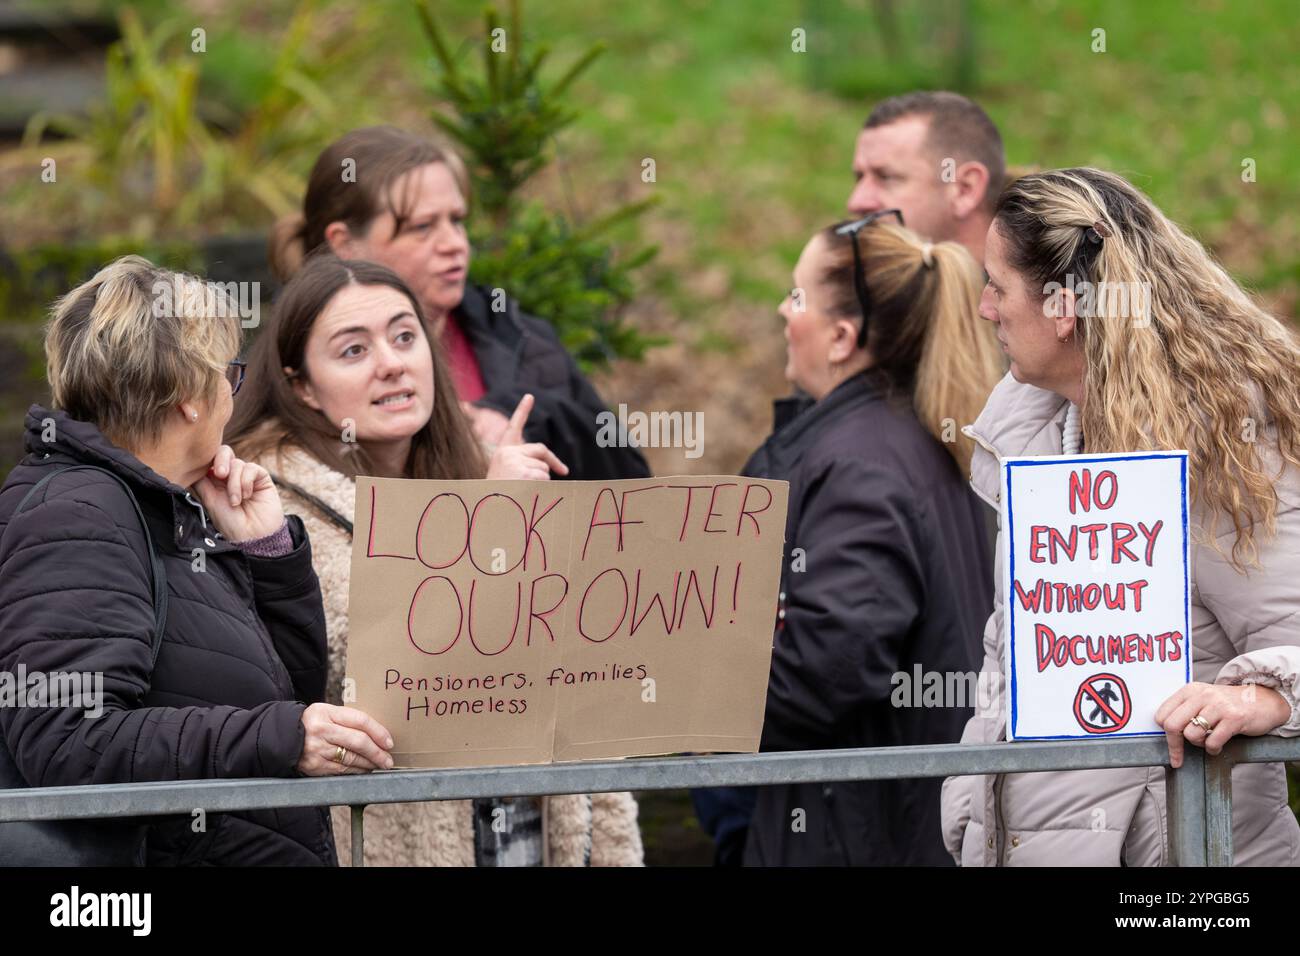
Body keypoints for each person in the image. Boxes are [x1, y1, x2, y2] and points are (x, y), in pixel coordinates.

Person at [227, 253, 644, 866]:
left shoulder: (495, 469)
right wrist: (492, 522)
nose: (392, 363)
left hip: (528, 831)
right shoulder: (263, 506)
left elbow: (579, 677)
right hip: (390, 843)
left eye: (404, 336)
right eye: (353, 351)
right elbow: (360, 672)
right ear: (301, 386)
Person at [941, 167, 1300, 866]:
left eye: (996, 284)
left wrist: (1265, 698)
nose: (985, 309)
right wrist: (970, 809)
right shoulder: (1036, 434)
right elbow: (1009, 658)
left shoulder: (1224, 444)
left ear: (1061, 308)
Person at [0, 256, 394, 866]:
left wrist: (266, 551)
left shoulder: (165, 508)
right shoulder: (79, 513)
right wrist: (281, 740)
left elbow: (286, 692)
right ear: (189, 396)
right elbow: (65, 738)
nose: (229, 395)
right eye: (228, 373)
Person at [739, 212, 1003, 865]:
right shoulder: (912, 437)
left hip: (865, 834)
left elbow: (825, 674)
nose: (781, 308)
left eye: (796, 295)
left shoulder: (860, 465)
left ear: (839, 336)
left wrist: (680, 685)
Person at [268, 125, 650, 481]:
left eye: (457, 220)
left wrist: (520, 416)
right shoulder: (292, 366)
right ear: (345, 243)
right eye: (423, 227)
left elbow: (629, 479)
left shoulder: (519, 334)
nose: (455, 244)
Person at [848, 90, 1006, 263]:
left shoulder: (1033, 287)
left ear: (965, 189)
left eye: (887, 177)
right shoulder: (843, 284)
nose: (856, 202)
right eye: (859, 177)